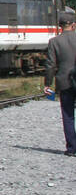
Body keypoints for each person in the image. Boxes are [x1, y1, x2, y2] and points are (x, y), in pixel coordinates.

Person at [43, 14, 76, 156]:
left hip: (64, 82)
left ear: (60, 26)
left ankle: (72, 148)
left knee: (68, 115)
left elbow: (50, 65)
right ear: (73, 25)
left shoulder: (54, 42)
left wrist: (47, 84)